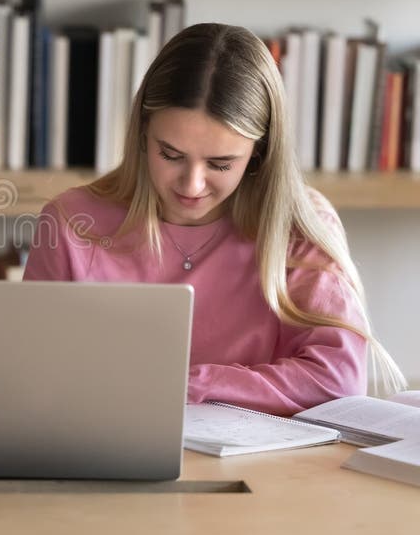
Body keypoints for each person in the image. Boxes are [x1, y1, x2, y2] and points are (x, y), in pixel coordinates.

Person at [23, 23, 405, 416]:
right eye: (170, 154)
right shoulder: (70, 223)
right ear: (142, 134)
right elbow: (29, 375)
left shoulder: (297, 226)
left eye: (220, 163)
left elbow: (337, 381)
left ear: (259, 153)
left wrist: (191, 383)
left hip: (263, 471)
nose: (192, 185)